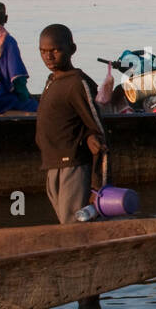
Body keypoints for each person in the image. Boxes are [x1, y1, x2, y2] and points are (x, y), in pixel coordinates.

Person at [35, 24, 105, 224]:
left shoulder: (77, 83)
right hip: (52, 163)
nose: (48, 57)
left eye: (55, 50)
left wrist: (98, 184)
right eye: (43, 51)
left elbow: (97, 128)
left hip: (73, 165)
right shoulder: (52, 80)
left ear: (72, 50)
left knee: (74, 224)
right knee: (65, 221)